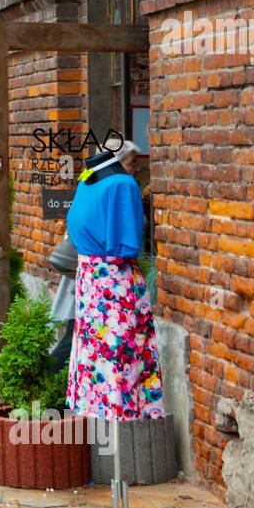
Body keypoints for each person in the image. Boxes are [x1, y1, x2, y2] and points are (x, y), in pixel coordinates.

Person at [64, 148, 163, 421]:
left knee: (108, 350)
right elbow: (126, 239)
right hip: (105, 280)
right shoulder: (106, 181)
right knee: (113, 350)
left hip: (99, 280)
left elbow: (120, 240)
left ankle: (111, 410)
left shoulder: (104, 181)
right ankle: (116, 409)